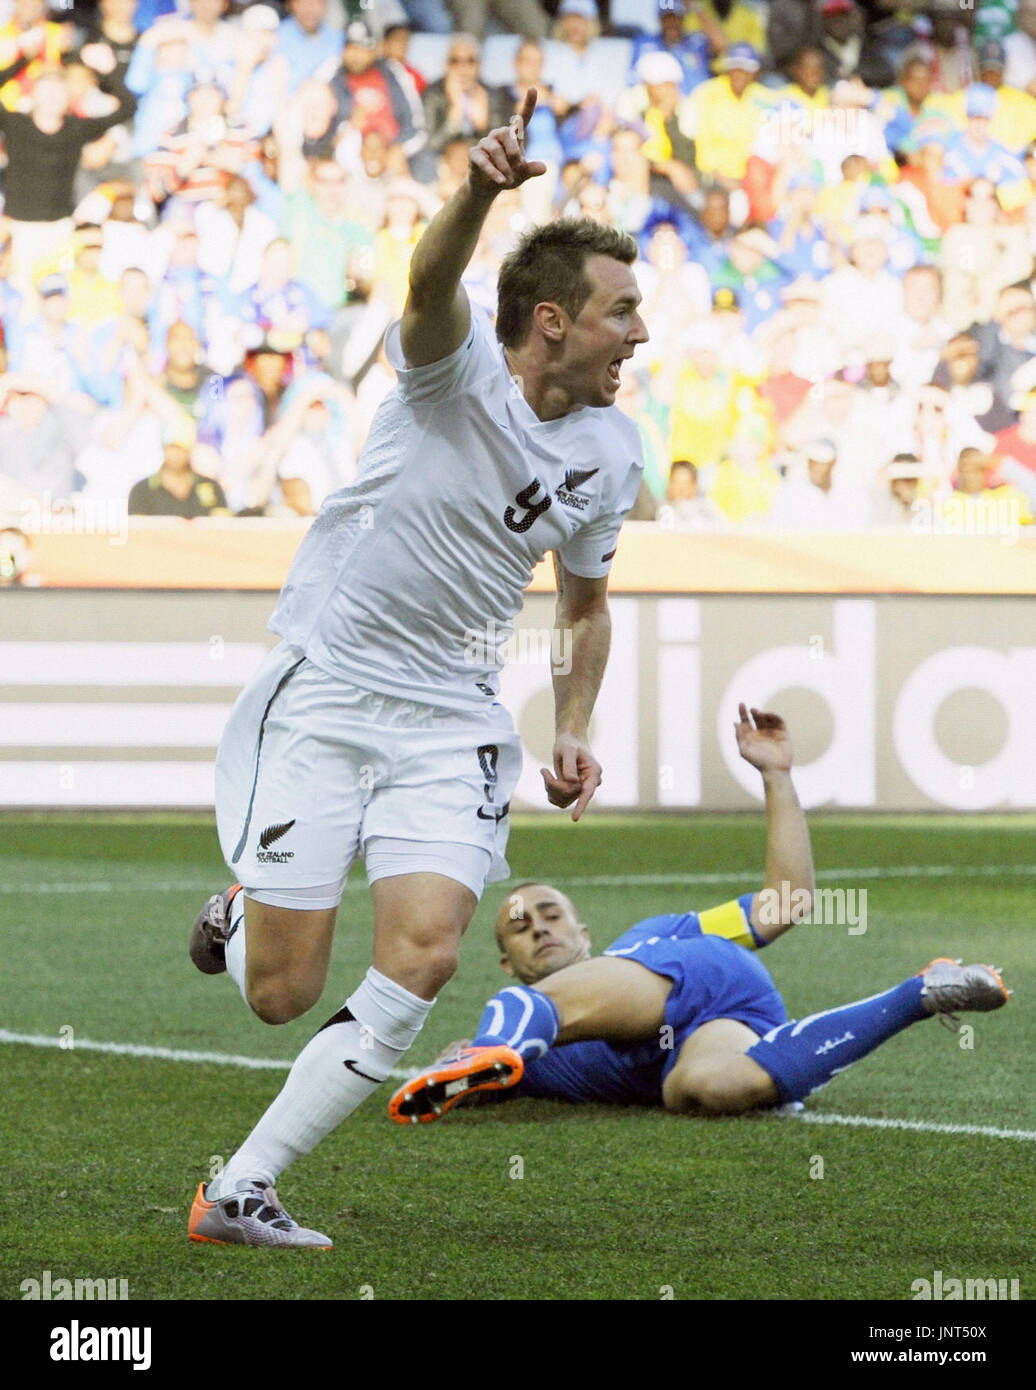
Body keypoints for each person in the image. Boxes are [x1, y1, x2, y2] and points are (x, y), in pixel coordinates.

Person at [185, 88, 649, 1249]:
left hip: (450, 718)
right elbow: (428, 284)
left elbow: (584, 603)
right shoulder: (451, 376)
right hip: (329, 696)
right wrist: (481, 191)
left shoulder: (611, 447)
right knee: (281, 993)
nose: (638, 336)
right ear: (549, 321)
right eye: (620, 313)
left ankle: (240, 1186)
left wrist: (572, 719)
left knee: (428, 950)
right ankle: (240, 913)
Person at [389, 705, 1011, 1125]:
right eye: (521, 928)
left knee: (520, 1014)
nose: (540, 928)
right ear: (509, 960)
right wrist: (477, 1072)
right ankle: (923, 991)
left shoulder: (657, 937)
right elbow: (511, 1072)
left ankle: (492, 1049)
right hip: (706, 1038)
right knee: (711, 1091)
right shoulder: (541, 1068)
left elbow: (785, 905)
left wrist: (777, 776)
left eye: (549, 914)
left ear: (585, 931)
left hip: (706, 983)